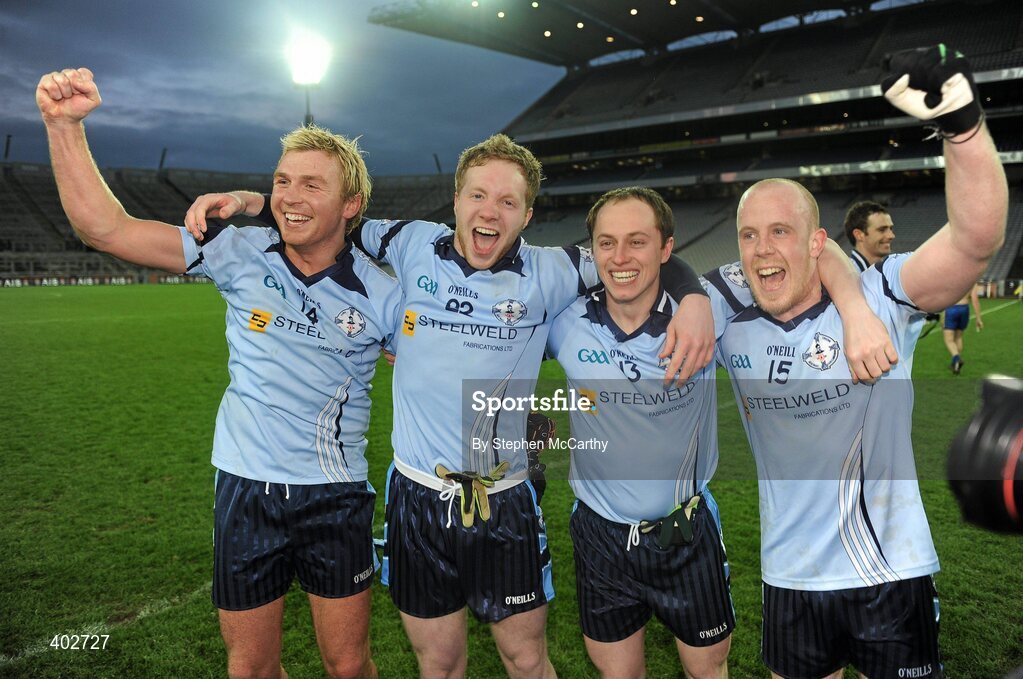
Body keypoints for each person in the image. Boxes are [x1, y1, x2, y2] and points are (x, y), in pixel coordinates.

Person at [185, 135, 715, 679]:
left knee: (527, 658)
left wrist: (692, 295)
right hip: (416, 498)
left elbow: (634, 255)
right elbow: (316, 218)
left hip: (504, 502)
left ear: (527, 214)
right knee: (437, 663)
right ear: (456, 200)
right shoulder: (409, 241)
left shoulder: (552, 270)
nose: (490, 212)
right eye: (478, 196)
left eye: (508, 203)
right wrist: (253, 202)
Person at [36, 67, 402, 679]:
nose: (289, 196)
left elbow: (447, 359)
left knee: (347, 665)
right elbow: (105, 229)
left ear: (351, 205)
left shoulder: (385, 294)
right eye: (281, 181)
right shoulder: (237, 252)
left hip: (333, 497)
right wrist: (64, 125)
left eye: (312, 184)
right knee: (250, 669)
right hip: (244, 489)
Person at [704, 44, 1007, 679]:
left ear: (818, 242)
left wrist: (962, 128)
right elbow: (663, 291)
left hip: (890, 572)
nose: (762, 250)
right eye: (749, 235)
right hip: (789, 577)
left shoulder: (882, 295)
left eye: (780, 231)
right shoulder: (729, 321)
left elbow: (976, 241)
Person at [843, 200, 895, 273]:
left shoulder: (889, 272)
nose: (891, 236)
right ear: (859, 235)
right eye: (882, 230)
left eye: (891, 229)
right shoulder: (845, 274)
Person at [943, 285, 983, 375]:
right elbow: (975, 300)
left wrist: (942, 315)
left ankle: (956, 358)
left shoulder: (953, 277)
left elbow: (945, 297)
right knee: (958, 337)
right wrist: (978, 318)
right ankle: (956, 364)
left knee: (948, 340)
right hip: (964, 309)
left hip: (952, 308)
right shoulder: (972, 279)